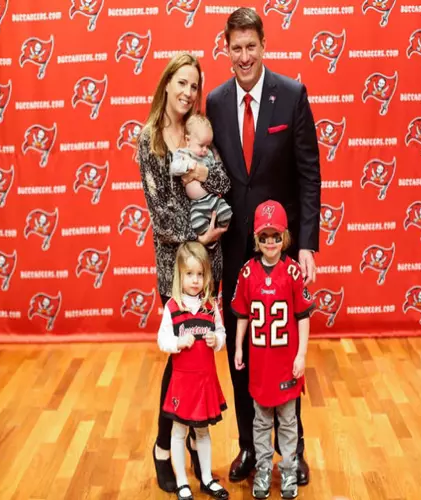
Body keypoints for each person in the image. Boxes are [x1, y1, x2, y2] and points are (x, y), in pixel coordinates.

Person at [206, 7, 321, 485]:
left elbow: (309, 174)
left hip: (283, 246)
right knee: (243, 352)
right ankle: (249, 448)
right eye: (236, 47)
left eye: (252, 46)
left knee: (284, 346)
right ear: (226, 49)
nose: (244, 55)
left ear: (264, 45)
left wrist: (308, 246)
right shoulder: (212, 102)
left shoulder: (291, 95)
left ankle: (290, 452)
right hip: (234, 251)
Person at [137, 52, 230, 493]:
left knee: (204, 359)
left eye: (195, 85)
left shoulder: (201, 134)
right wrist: (202, 240)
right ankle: (162, 445)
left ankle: (193, 441)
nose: (189, 93)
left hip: (209, 267)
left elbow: (225, 185)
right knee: (181, 358)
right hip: (176, 269)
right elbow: (160, 215)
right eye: (182, 83)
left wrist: (199, 170)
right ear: (167, 84)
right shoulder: (149, 139)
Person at [232, 201, 314, 499]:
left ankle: (289, 470)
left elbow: (303, 317)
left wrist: (302, 354)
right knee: (261, 421)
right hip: (261, 365)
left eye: (275, 237)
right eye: (264, 237)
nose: (270, 242)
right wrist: (239, 347)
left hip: (285, 363)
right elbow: (241, 314)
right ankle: (264, 469)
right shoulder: (247, 273)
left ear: (285, 238)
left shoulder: (292, 272)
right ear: (256, 237)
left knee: (288, 422)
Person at [158, 242, 229, 500]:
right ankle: (182, 482)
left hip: (205, 381)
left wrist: (216, 341)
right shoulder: (173, 308)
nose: (195, 280)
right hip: (182, 382)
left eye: (200, 274)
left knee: (203, 431)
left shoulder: (210, 306)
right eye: (190, 274)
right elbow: (162, 340)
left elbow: (221, 333)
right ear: (180, 275)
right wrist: (177, 343)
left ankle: (207, 478)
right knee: (178, 430)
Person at [170, 114, 233, 248]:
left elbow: (220, 175)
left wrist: (204, 172)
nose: (205, 150)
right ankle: (208, 236)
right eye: (201, 146)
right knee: (197, 222)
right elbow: (173, 168)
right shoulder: (183, 154)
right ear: (188, 140)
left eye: (208, 146)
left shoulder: (209, 154)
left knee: (224, 209)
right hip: (196, 204)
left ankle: (221, 224)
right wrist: (186, 166)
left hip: (211, 197)